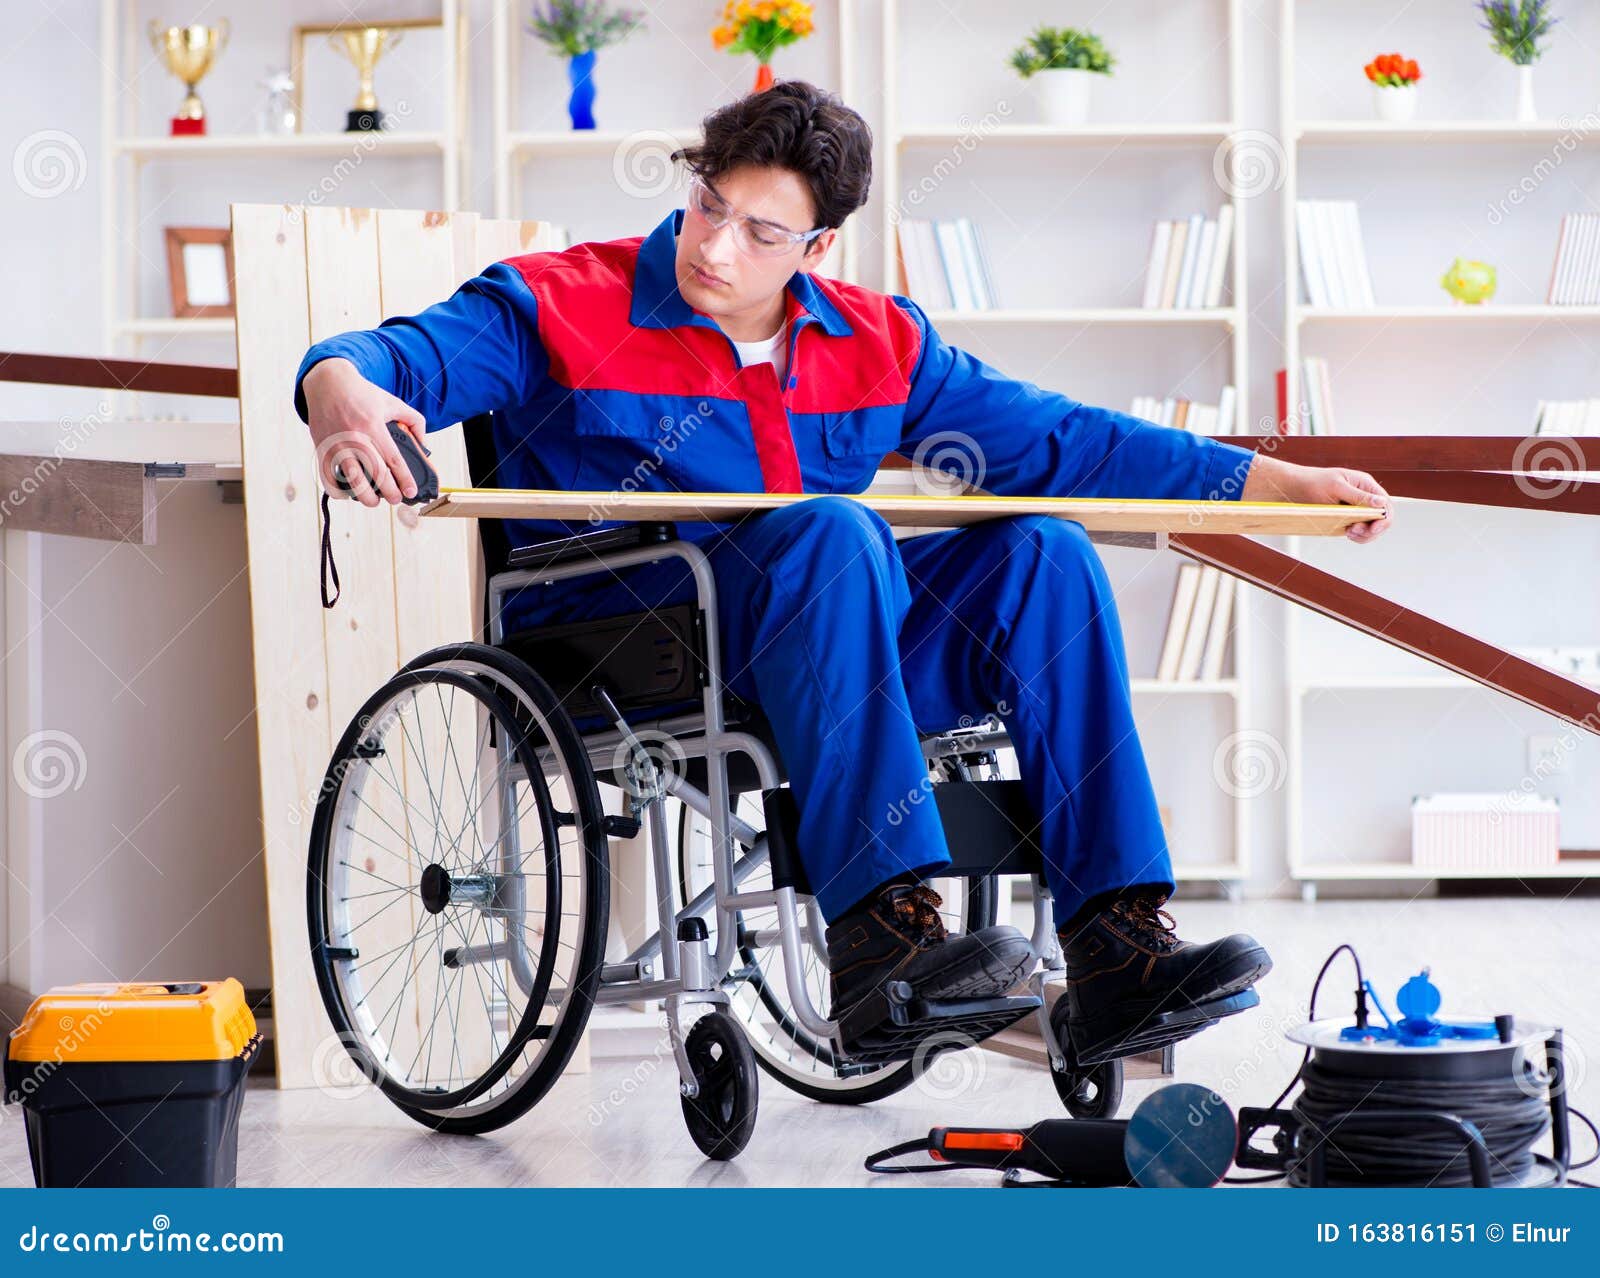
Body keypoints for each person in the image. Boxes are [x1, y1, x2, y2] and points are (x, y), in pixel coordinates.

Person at [295, 80, 1391, 1062]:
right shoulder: (564, 299)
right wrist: (339, 386)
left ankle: (1112, 946)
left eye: (761, 231)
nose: (716, 249)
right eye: (709, 205)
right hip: (625, 648)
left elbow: (1068, 442)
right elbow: (401, 357)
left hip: (825, 647)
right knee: (834, 530)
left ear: (818, 249)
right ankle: (882, 940)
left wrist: (1269, 481)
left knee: (1044, 550)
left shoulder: (877, 342)